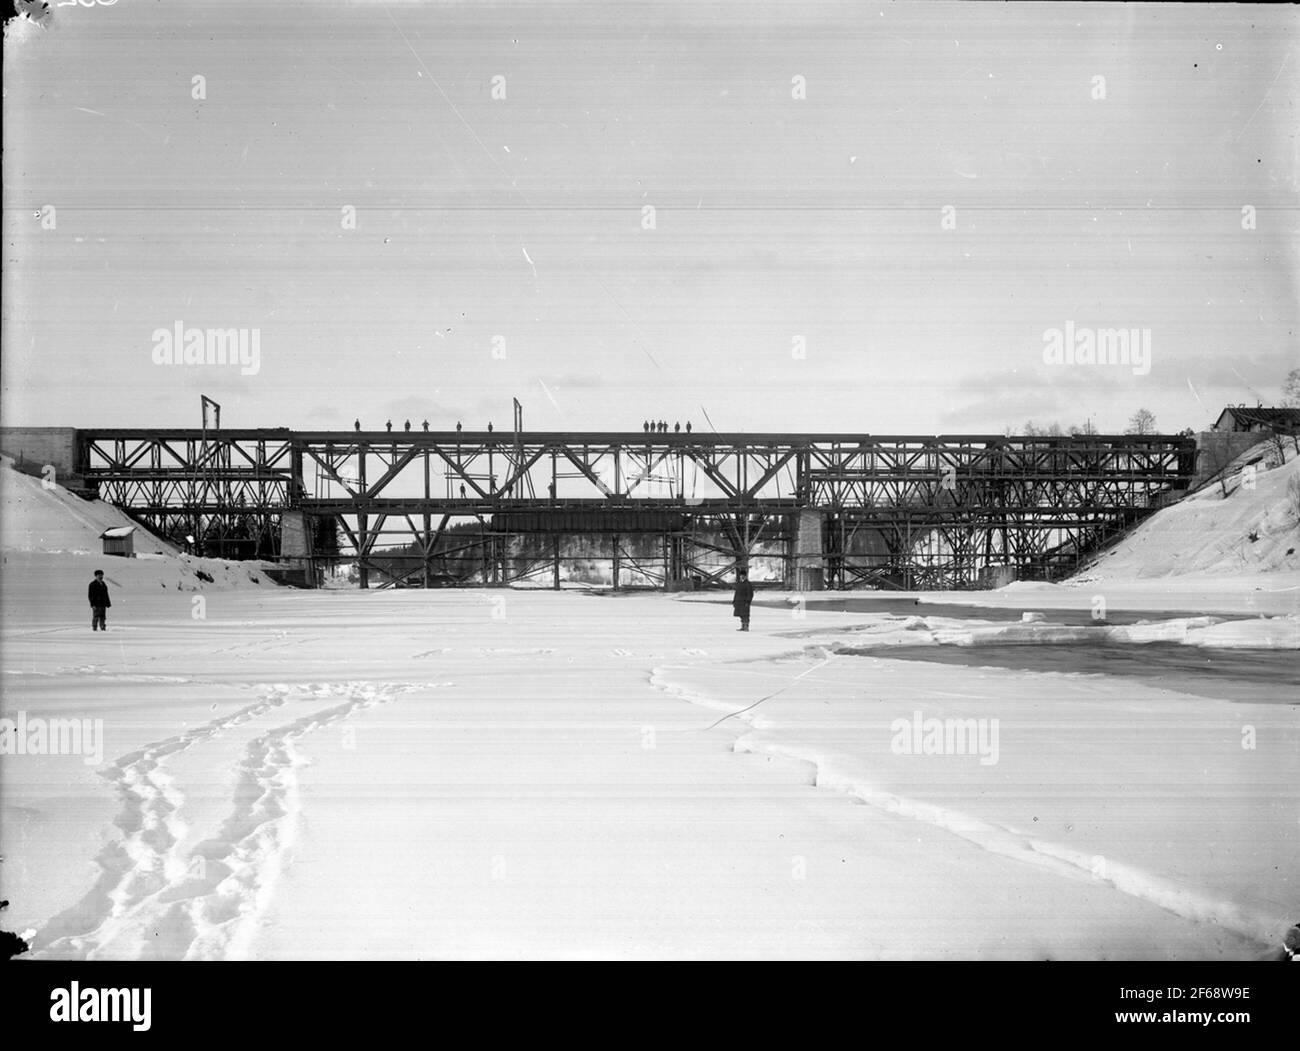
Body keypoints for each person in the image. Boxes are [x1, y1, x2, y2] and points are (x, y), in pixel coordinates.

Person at [732, 566, 754, 632]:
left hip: (744, 602)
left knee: (745, 615)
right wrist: (734, 601)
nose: (742, 576)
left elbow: (750, 594)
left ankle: (746, 627)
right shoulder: (739, 583)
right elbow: (736, 593)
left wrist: (748, 602)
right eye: (741, 575)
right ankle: (742, 626)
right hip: (739, 602)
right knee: (741, 615)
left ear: (745, 576)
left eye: (743, 575)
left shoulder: (748, 584)